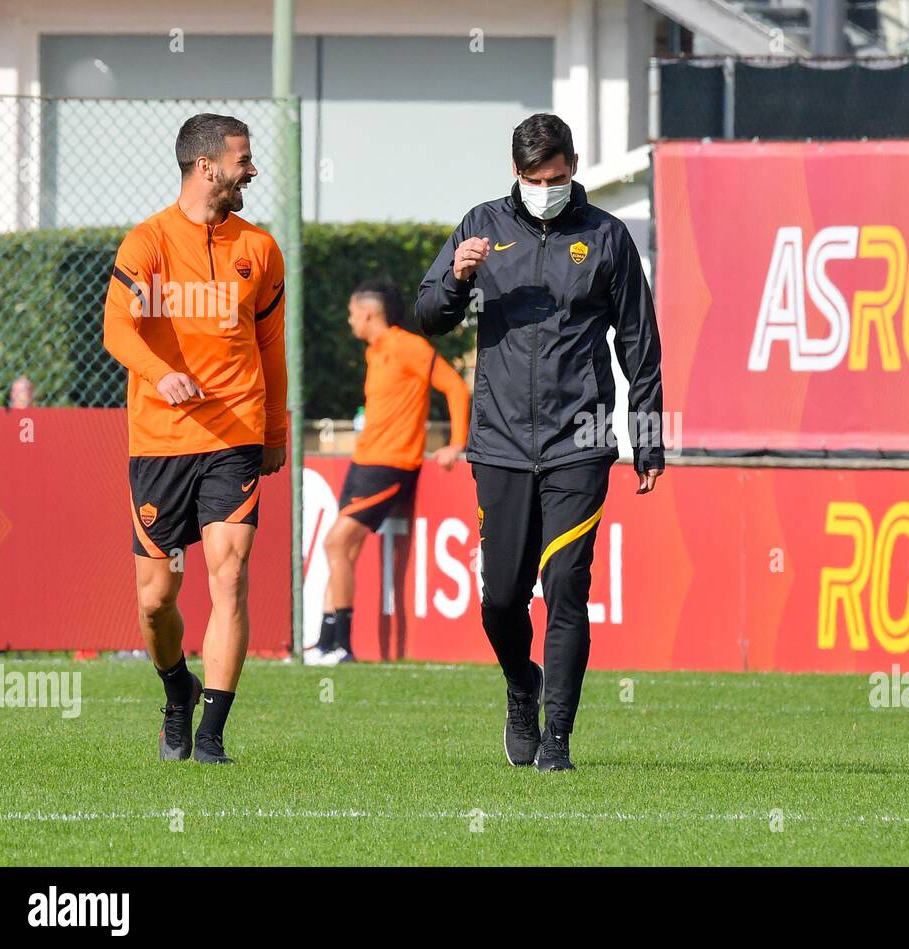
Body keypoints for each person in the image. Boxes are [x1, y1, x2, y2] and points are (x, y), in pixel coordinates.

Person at [415, 113, 664, 772]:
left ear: (574, 166)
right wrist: (456, 281)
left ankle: (557, 738)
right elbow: (428, 316)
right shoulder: (480, 226)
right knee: (500, 600)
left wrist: (648, 434)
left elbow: (640, 340)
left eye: (555, 177)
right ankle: (520, 686)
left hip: (579, 442)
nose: (545, 188)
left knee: (566, 588)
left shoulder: (606, 239)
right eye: (533, 179)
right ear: (516, 175)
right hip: (497, 441)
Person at [102, 113, 287, 765]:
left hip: (234, 435)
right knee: (157, 601)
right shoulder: (147, 241)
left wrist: (276, 427)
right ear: (206, 166)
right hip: (159, 442)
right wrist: (163, 373)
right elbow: (117, 332)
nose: (253, 168)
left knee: (229, 574)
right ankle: (176, 691)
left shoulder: (260, 249)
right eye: (243, 158)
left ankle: (210, 734)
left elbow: (271, 346)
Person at [309, 278, 470, 665]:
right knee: (341, 548)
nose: (349, 321)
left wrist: (457, 443)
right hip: (364, 462)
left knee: (334, 544)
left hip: (389, 465)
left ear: (368, 312)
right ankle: (324, 642)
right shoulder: (374, 352)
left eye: (351, 313)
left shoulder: (407, 346)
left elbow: (455, 387)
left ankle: (341, 646)